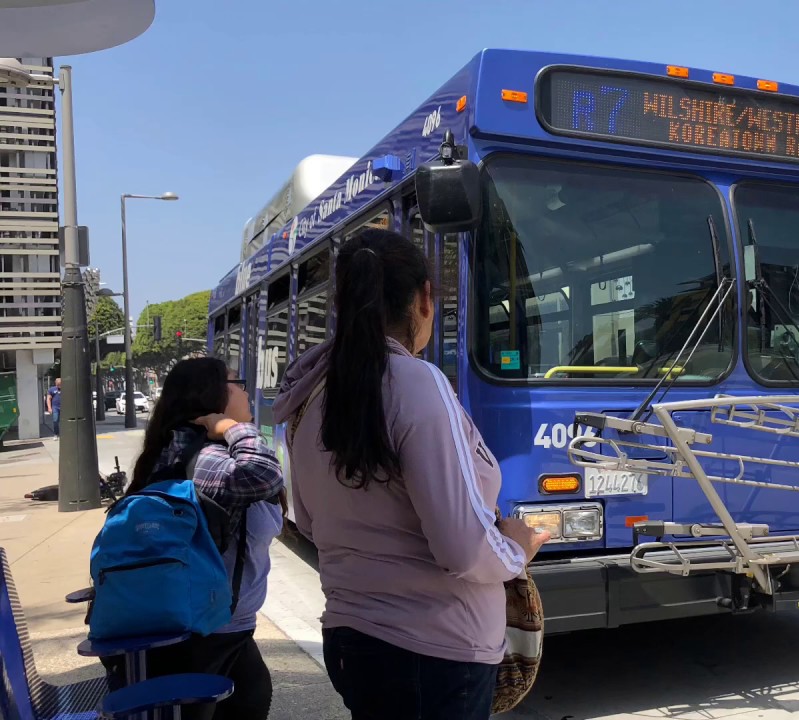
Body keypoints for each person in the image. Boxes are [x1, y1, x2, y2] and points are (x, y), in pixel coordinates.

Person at [275, 228, 550, 720]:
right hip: (435, 653)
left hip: (351, 641)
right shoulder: (418, 383)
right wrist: (516, 547)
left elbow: (310, 525)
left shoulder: (311, 394)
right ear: (424, 299)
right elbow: (463, 549)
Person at [103, 357, 284, 720]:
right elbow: (263, 475)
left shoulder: (177, 449)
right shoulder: (207, 456)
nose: (247, 392)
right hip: (207, 629)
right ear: (214, 395)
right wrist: (233, 427)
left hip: (214, 624)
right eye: (239, 383)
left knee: (250, 695)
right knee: (241, 702)